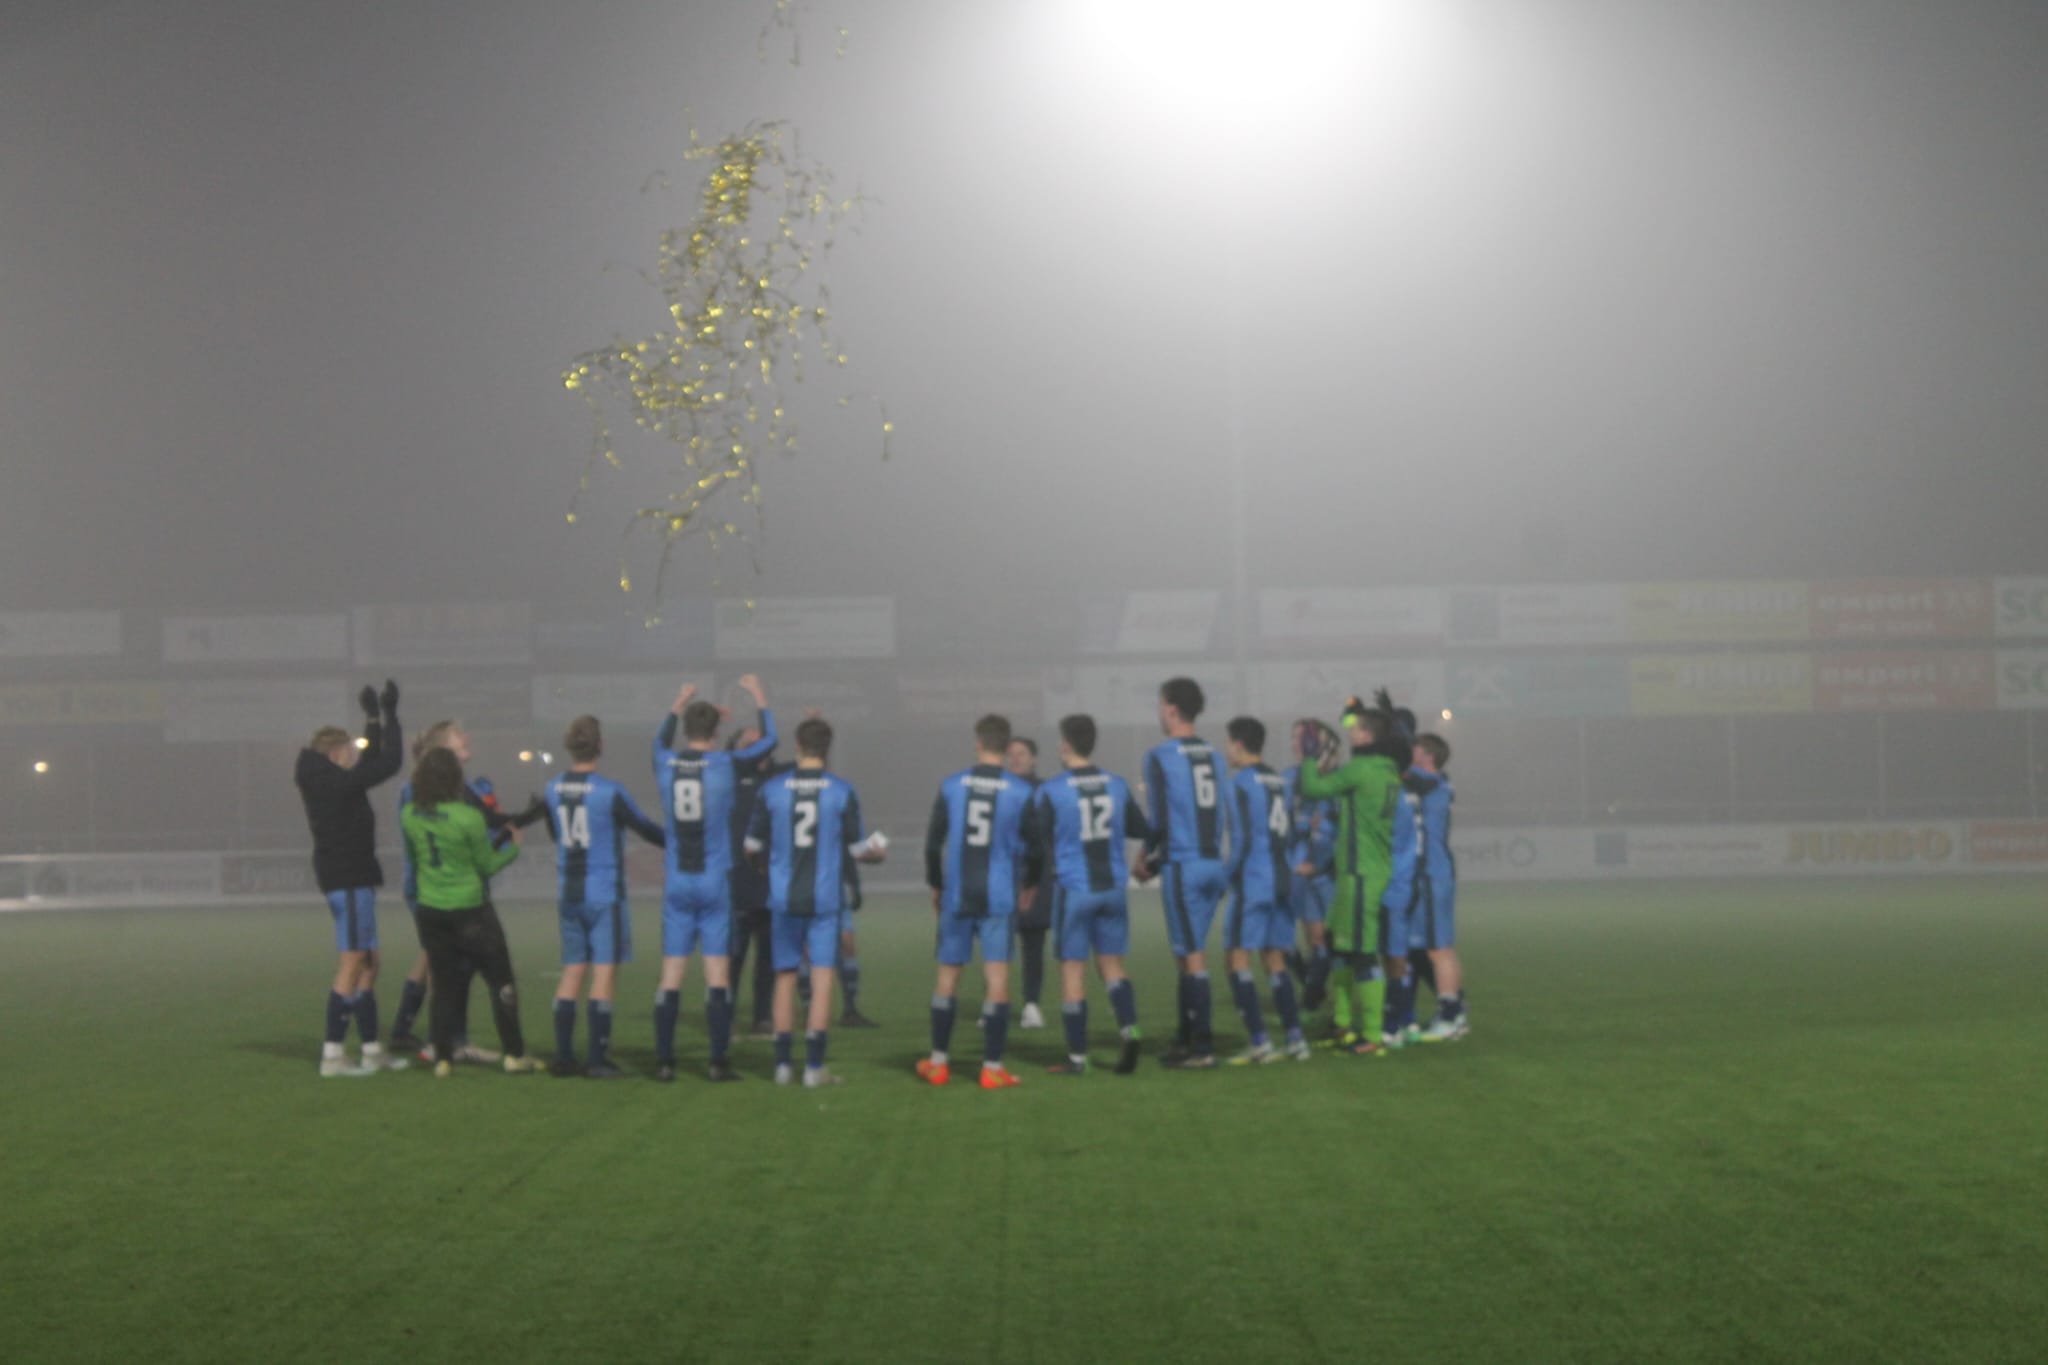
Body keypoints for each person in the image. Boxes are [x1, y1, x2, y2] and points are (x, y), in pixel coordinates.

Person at [387, 721, 542, 1061]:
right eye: (460, 735)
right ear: (443, 748)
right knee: (449, 965)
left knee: (436, 959)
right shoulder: (417, 791)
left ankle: (413, 1031)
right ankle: (445, 1042)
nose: (468, 737)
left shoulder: (461, 787)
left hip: (442, 888)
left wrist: (525, 817)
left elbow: (489, 820)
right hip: (435, 888)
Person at [744, 716, 885, 1087]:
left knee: (785, 978)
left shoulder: (771, 790)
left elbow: (751, 846)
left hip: (784, 898)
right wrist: (878, 853)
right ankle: (813, 1068)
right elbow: (858, 849)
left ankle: (781, 1066)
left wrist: (764, 868)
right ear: (827, 748)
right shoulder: (841, 791)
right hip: (824, 901)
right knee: (822, 980)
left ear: (797, 746)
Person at [653, 674, 776, 1083]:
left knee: (671, 975)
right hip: (714, 881)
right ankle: (718, 1062)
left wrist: (679, 700)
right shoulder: (725, 763)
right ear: (717, 730)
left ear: (687, 729)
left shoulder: (665, 762)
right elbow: (769, 741)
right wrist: (758, 696)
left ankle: (666, 1061)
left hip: (677, 881)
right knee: (717, 976)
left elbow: (659, 741)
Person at [293, 680, 408, 1077]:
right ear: (335, 753)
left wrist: (372, 719)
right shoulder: (332, 782)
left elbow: (372, 762)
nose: (353, 755)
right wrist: (391, 715)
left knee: (369, 962)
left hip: (349, 877)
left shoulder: (327, 778)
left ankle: (373, 1050)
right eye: (349, 750)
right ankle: (333, 1055)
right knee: (353, 961)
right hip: (349, 878)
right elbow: (388, 763)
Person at [1027, 714, 1151, 1077]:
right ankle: (1129, 1028)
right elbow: (1140, 828)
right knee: (1112, 966)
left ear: (1065, 744)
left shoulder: (1050, 790)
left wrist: (1031, 880)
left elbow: (1037, 843)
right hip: (1112, 888)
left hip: (1075, 887)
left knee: (1072, 969)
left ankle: (1078, 1058)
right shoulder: (1116, 784)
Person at [918, 715, 1039, 1089]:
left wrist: (936, 884)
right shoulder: (1020, 790)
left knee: (948, 976)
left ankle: (938, 1063)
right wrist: (1030, 883)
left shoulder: (953, 785)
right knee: (997, 976)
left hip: (957, 893)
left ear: (977, 743)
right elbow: (1036, 846)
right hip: (999, 894)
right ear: (1005, 747)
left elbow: (932, 842)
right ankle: (991, 1067)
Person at [543, 715, 665, 1078]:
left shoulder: (552, 788)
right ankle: (596, 1058)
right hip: (603, 893)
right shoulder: (609, 791)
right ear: (601, 745)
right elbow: (643, 828)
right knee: (604, 973)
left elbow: (554, 831)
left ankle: (564, 1057)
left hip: (569, 891)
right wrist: (681, 842)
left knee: (572, 972)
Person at [1297, 695, 1406, 1057]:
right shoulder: (1387, 771)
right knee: (1339, 948)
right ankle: (1343, 1024)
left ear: (1366, 736)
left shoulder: (1363, 770)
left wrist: (1311, 758)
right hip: (1356, 873)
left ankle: (1373, 1034)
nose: (1351, 734)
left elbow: (1312, 788)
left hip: (1362, 875)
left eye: (1356, 729)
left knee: (1361, 955)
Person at [1141, 677, 1229, 1068]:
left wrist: (1145, 858)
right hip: (1214, 862)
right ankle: (1185, 1035)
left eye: (1161, 705)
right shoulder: (1215, 755)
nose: (1159, 713)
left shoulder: (1160, 755)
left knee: (1192, 956)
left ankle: (1202, 1047)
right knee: (1185, 954)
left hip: (1184, 866)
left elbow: (1159, 820)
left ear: (1172, 709)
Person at [1219, 717, 1311, 1065]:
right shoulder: (1281, 780)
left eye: (1228, 743)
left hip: (1254, 881)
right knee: (1275, 960)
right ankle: (1295, 1039)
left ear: (1239, 744)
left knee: (1236, 959)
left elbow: (1241, 840)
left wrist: (1226, 878)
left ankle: (1260, 1041)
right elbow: (1292, 831)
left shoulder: (1239, 784)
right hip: (1283, 879)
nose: (1227, 750)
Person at [725, 723, 787, 1038]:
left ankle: (762, 1017)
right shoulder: (729, 775)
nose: (756, 745)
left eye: (759, 741)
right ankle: (727, 1016)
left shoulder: (778, 778)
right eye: (748, 741)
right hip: (736, 880)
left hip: (770, 881)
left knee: (768, 956)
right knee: (733, 955)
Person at [1408, 732, 1468, 1041]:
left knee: (1437, 950)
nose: (1409, 753)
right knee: (1442, 947)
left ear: (1428, 757)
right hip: (1439, 872)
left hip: (1431, 873)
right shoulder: (1440, 782)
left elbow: (1398, 770)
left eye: (1414, 750)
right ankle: (1456, 1011)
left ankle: (1448, 1017)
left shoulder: (1429, 782)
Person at [1283, 720, 1337, 1012]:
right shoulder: (1289, 778)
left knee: (1323, 938)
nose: (1297, 744)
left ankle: (1314, 997)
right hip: (1296, 866)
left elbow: (1337, 823)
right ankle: (1312, 989)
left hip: (1327, 870)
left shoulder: (1335, 778)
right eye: (1294, 737)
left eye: (1302, 738)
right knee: (1293, 937)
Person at [1004, 736, 1050, 1030]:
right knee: (999, 943)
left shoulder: (1045, 791)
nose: (1016, 759)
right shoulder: (1001, 788)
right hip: (1004, 875)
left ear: (1034, 758)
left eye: (1022, 753)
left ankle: (1031, 1004)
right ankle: (994, 1002)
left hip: (1036, 878)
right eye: (1012, 754)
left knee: (1033, 943)